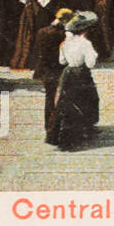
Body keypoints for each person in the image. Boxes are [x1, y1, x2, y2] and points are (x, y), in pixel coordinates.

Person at [48, 11, 101, 151]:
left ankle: (62, 135)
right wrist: (94, 55)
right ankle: (85, 129)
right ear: (84, 30)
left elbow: (62, 61)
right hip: (81, 73)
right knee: (87, 100)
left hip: (68, 73)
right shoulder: (86, 43)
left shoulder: (65, 44)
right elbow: (90, 63)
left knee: (66, 103)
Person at [32, 8, 73, 139]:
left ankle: (48, 126)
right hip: (57, 70)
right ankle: (55, 130)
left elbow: (36, 53)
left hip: (44, 71)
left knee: (49, 99)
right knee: (59, 99)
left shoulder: (41, 32)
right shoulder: (63, 35)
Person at [10, 0, 54, 70]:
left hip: (39, 9)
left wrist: (37, 3)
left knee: (37, 31)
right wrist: (27, 1)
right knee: (26, 32)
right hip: (28, 8)